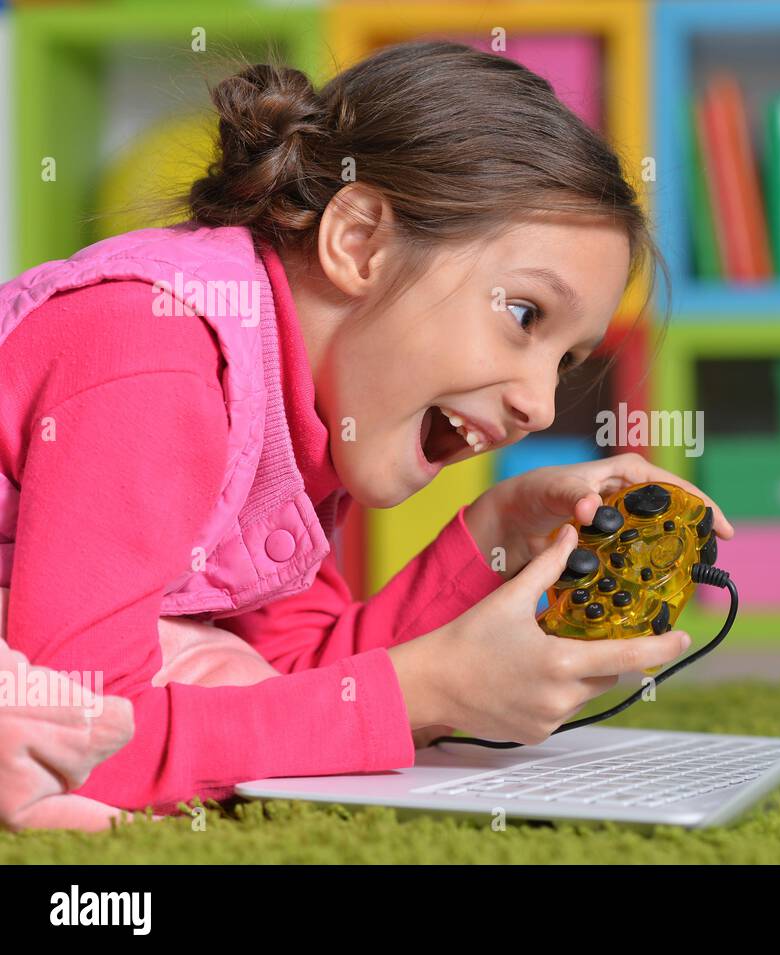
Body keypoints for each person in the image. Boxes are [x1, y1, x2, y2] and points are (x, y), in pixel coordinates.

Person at [0, 40, 732, 823]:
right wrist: (428, 689)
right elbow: (79, 739)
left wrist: (494, 533)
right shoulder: (154, 351)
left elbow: (303, 674)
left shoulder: (294, 411)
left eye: (568, 361)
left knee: (236, 680)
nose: (542, 408)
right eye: (524, 315)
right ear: (359, 243)